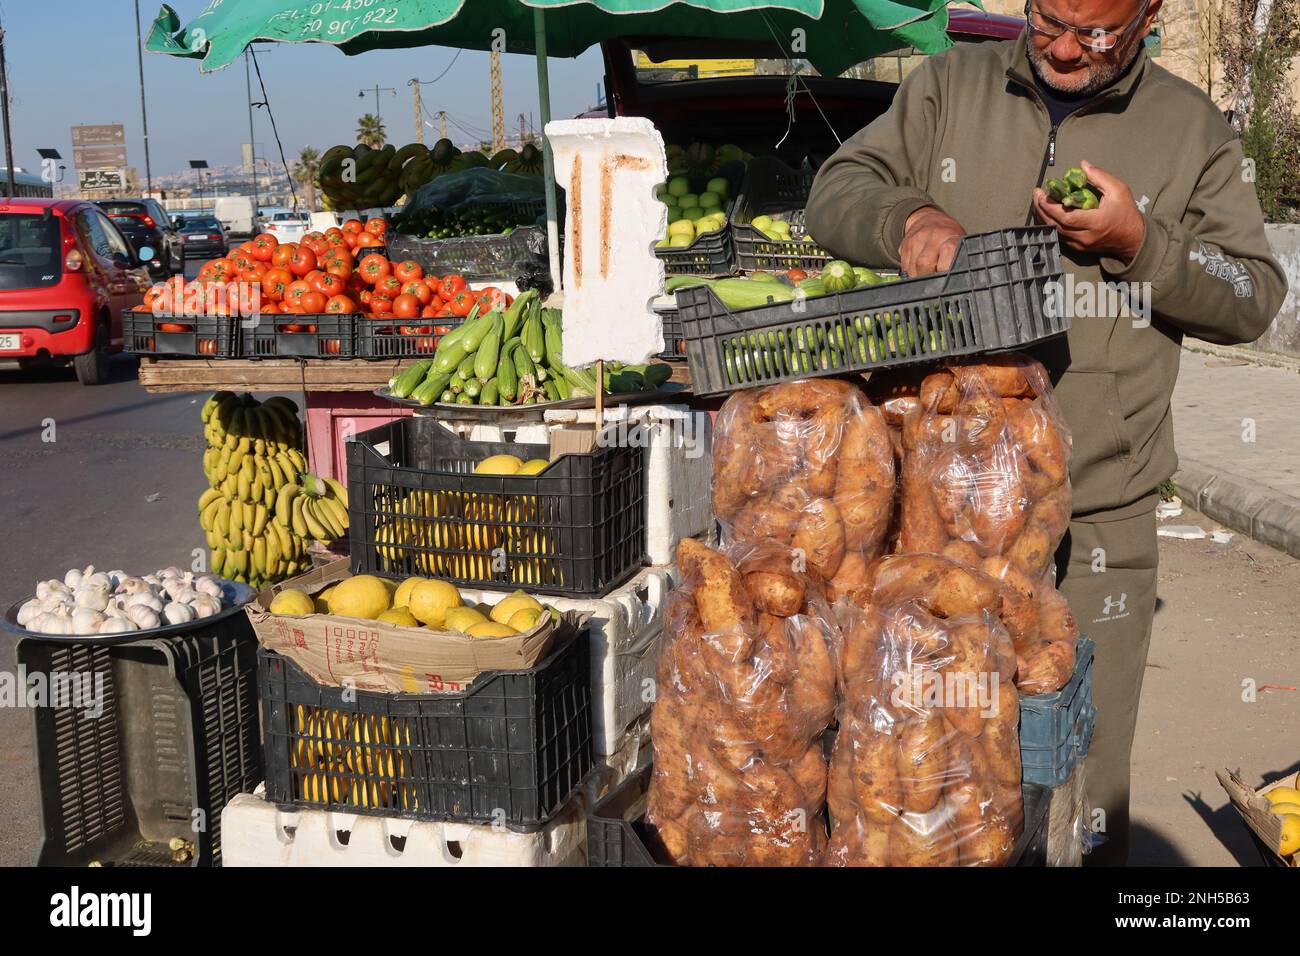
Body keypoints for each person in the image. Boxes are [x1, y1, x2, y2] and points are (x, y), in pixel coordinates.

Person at [806, 0, 1287, 865]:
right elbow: (836, 190)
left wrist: (1144, 244)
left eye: (1095, 32)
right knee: (918, 770)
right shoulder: (952, 86)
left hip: (1101, 511)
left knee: (1080, 786)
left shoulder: (1193, 128)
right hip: (933, 519)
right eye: (1047, 19)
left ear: (1148, 17)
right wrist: (908, 223)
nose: (1064, 48)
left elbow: (1252, 292)